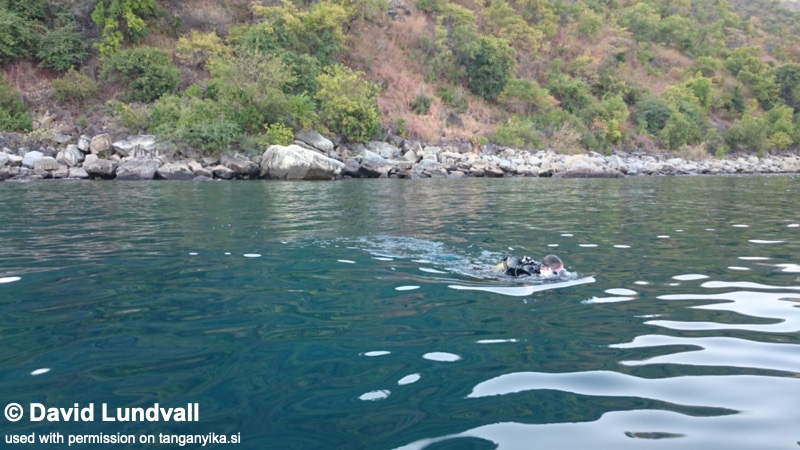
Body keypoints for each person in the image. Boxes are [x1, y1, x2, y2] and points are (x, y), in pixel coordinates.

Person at [494, 254, 565, 277]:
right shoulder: (530, 273)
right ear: (544, 268)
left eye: (560, 271)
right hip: (498, 272)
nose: (558, 275)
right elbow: (526, 283)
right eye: (555, 273)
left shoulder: (540, 269)